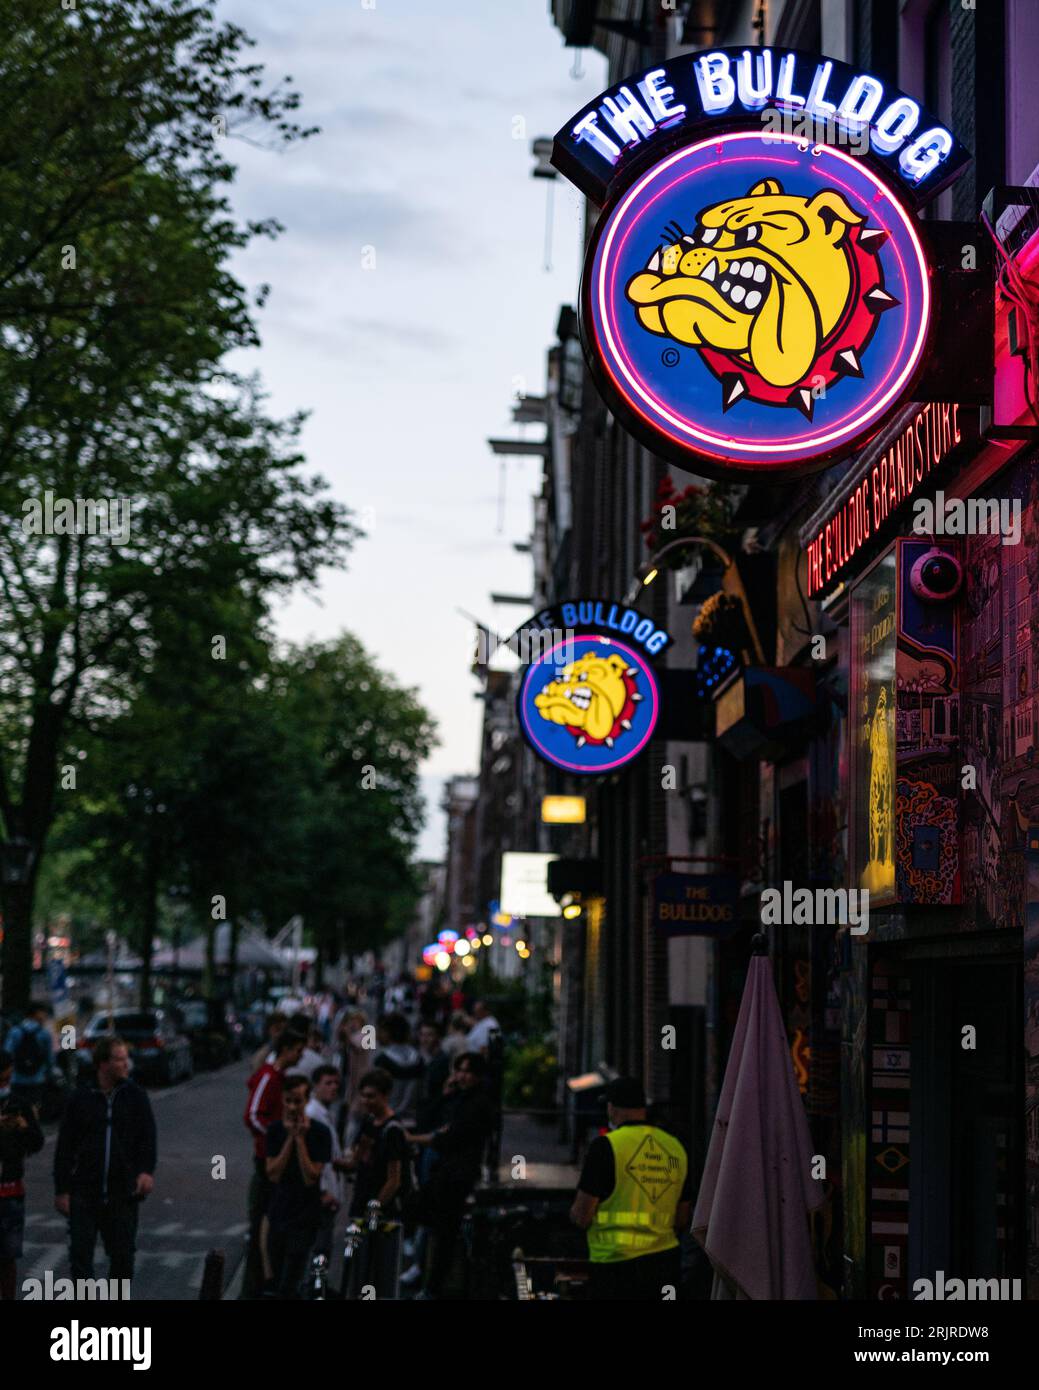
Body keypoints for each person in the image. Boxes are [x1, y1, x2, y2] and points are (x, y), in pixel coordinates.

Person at [569, 1076, 691, 1301]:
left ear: (611, 1108)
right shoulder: (676, 1148)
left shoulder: (606, 1147)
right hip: (664, 1267)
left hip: (614, 1269)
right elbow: (682, 1219)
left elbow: (582, 1215)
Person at [53, 1036, 157, 1287]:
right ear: (102, 1064)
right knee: (81, 1260)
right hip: (84, 1192)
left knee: (122, 1259)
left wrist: (145, 1171)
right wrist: (62, 1189)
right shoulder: (81, 1098)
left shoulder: (135, 1096)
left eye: (125, 1059)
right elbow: (65, 1146)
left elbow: (147, 1139)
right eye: (119, 1059)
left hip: (122, 1193)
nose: (126, 1064)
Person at [408, 1052, 493, 1298]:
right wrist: (444, 1095)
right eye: (459, 1070)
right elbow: (428, 1119)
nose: (462, 1076)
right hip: (444, 1170)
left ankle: (434, 1285)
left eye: (467, 1071)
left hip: (456, 1175)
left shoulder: (477, 1104)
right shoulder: (459, 1098)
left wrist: (414, 1139)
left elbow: (448, 1136)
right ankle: (426, 1274)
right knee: (435, 1224)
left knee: (444, 1230)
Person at [242, 1029, 305, 1298]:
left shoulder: (279, 1078)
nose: (302, 1055)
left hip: (274, 1158)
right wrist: (276, 1137)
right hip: (266, 1160)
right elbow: (253, 1115)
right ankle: (254, 1286)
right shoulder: (270, 1077)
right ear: (288, 1049)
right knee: (261, 1223)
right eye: (298, 1049)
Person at [264, 1075, 330, 1298]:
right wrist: (289, 1140)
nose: (292, 1107)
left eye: (298, 1101)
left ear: (306, 1101)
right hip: (279, 1211)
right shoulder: (274, 1131)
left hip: (305, 1215)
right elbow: (273, 1173)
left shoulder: (320, 1132)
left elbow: (311, 1176)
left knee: (292, 1279)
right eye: (288, 1101)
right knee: (277, 1274)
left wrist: (300, 1141)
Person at [0, 1048, 45, 1300]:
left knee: (7, 1257)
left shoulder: (19, 1104)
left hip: (10, 1191)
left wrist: (22, 1127)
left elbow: (36, 1142)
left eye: (7, 1079)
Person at [344, 1068, 410, 1219]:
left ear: (385, 1095)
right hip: (362, 1198)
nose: (366, 1101)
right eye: (363, 1096)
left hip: (380, 1210)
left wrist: (375, 1207)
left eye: (371, 1096)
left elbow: (394, 1179)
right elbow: (358, 1157)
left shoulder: (392, 1130)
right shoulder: (369, 1122)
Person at [305, 1064, 348, 1260]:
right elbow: (313, 1156)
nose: (333, 1087)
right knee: (319, 1246)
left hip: (330, 1189)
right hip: (322, 1193)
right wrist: (322, 1191)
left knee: (324, 1244)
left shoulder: (325, 1112)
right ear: (315, 1085)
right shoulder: (313, 1114)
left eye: (336, 1083)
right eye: (327, 1083)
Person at [372, 1014, 423, 1124]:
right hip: (413, 1117)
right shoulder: (418, 1058)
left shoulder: (383, 1060)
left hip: (388, 1116)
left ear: (388, 1033)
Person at [5, 1002, 54, 1110]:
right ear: (36, 1014)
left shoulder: (15, 1031)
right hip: (37, 1078)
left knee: (16, 1108)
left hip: (16, 1078)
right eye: (43, 1013)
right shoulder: (44, 1034)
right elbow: (50, 1059)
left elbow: (7, 1053)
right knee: (33, 1107)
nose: (45, 1016)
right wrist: (49, 1074)